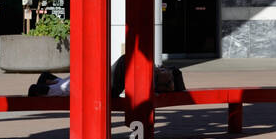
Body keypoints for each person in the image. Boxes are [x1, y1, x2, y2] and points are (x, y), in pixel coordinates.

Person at [28, 56, 185, 97]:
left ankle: (44, 85)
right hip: (107, 82)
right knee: (75, 84)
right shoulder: (156, 75)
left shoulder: (165, 83)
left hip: (108, 85)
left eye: (167, 72)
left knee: (72, 86)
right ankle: (45, 84)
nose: (163, 69)